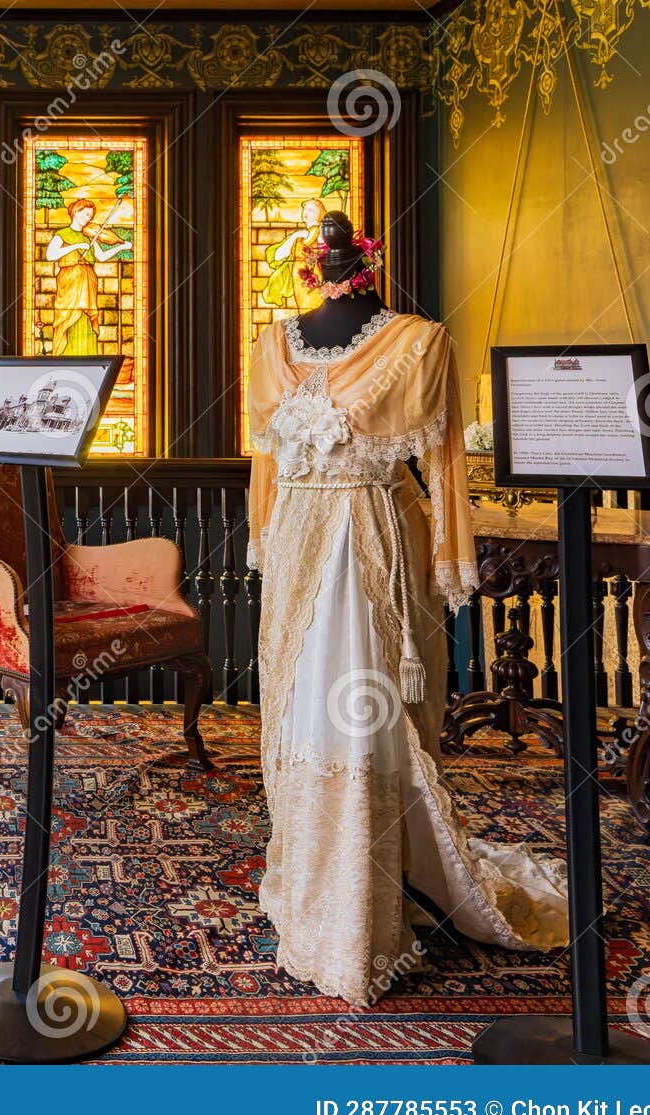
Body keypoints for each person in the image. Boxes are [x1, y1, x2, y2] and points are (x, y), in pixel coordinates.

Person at [246, 214, 568, 1007]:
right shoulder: (270, 343)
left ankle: (368, 908)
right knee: (301, 710)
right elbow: (265, 462)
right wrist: (265, 541)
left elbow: (445, 458)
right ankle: (315, 886)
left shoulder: (421, 343)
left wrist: (449, 558)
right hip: (297, 544)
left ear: (347, 265)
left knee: (360, 709)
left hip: (371, 545)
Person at [44, 199, 131, 355]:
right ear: (75, 212)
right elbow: (50, 255)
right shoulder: (62, 235)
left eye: (90, 216)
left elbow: (102, 257)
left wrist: (121, 246)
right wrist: (76, 246)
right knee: (69, 321)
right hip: (70, 284)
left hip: (88, 284)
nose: (88, 219)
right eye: (85, 214)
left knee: (87, 322)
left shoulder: (89, 237)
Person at [260, 199, 325, 312]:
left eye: (311, 210)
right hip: (299, 282)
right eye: (305, 209)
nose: (306, 212)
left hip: (316, 281)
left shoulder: (322, 233)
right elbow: (278, 256)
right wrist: (295, 236)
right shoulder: (300, 235)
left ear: (320, 214)